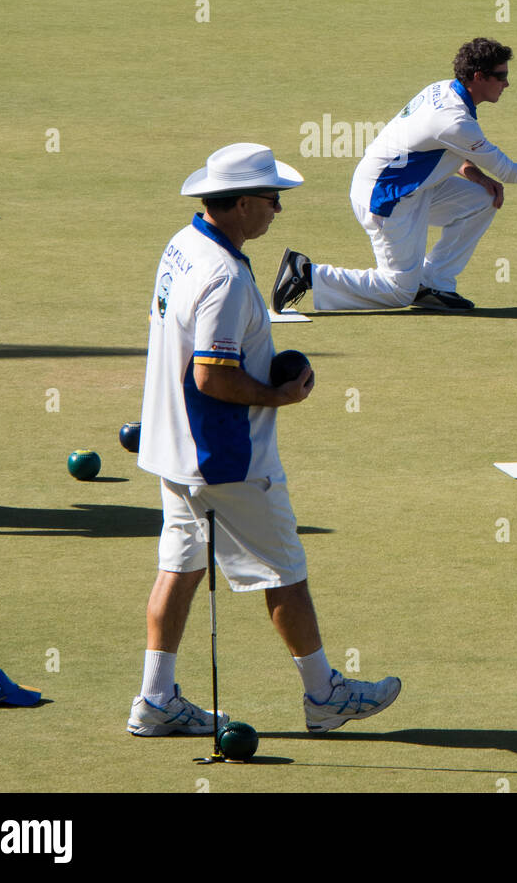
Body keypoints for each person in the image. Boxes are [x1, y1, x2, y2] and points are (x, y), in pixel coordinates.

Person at [128, 142, 401, 736]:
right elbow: (211, 374)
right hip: (226, 455)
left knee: (179, 569)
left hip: (175, 449)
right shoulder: (222, 275)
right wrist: (281, 395)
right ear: (243, 203)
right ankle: (324, 695)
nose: (278, 209)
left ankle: (154, 700)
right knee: (284, 570)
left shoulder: (185, 242)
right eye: (272, 199)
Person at [272, 38, 517, 316]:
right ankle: (307, 274)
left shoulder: (442, 90)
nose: (507, 84)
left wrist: (474, 174)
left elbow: (444, 147)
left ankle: (433, 284)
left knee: (483, 199)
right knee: (398, 290)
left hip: (412, 187)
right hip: (387, 196)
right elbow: (509, 171)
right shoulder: (454, 121)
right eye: (501, 76)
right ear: (478, 77)